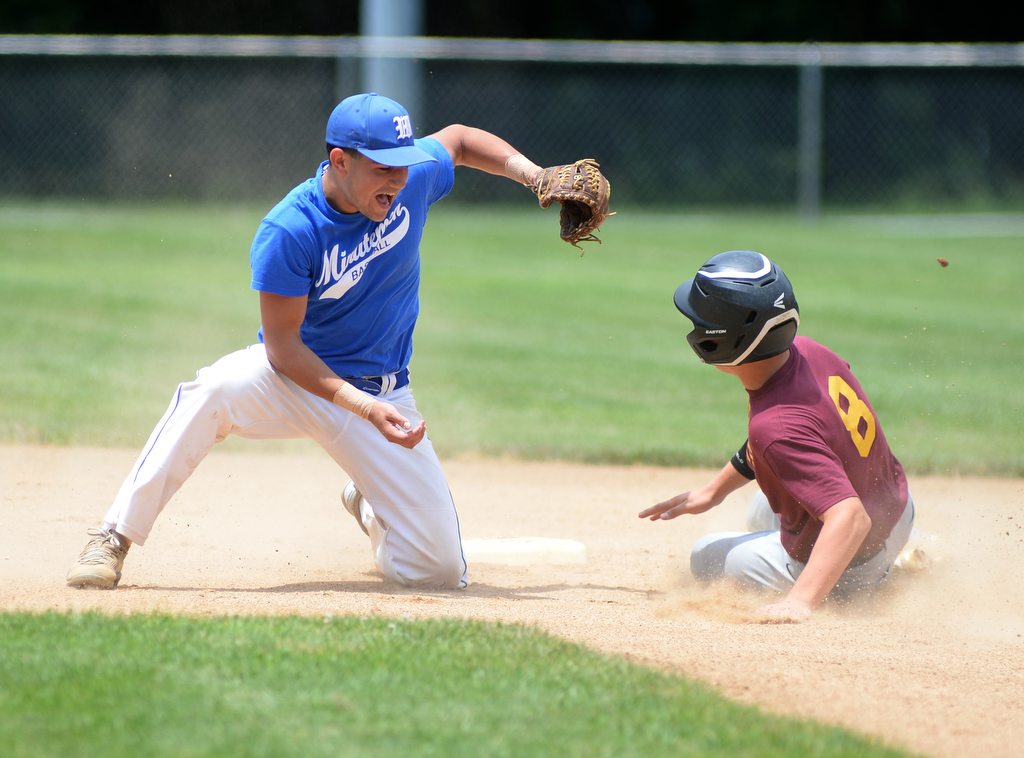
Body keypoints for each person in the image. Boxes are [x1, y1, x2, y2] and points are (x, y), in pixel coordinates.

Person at [67, 92, 598, 590]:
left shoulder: (410, 180)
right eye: (381, 166)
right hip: (296, 380)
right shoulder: (290, 230)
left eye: (402, 163)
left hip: (384, 393)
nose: (396, 178)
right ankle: (113, 536)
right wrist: (360, 407)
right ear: (341, 161)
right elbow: (281, 347)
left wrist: (537, 176)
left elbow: (457, 140)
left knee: (437, 571)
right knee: (210, 391)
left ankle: (368, 504)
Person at [639, 250, 914, 621]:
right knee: (759, 509)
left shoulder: (776, 427)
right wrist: (713, 491)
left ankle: (867, 584)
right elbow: (795, 439)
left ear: (719, 340)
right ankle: (902, 552)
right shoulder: (807, 350)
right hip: (898, 510)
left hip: (856, 562)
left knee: (704, 557)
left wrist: (799, 603)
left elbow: (850, 518)